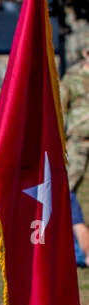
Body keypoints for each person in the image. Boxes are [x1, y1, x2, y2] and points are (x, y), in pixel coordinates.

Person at [61, 47, 89, 198]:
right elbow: (61, 108)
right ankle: (71, 220)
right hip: (77, 140)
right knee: (70, 181)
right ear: (85, 53)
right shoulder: (72, 77)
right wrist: (62, 138)